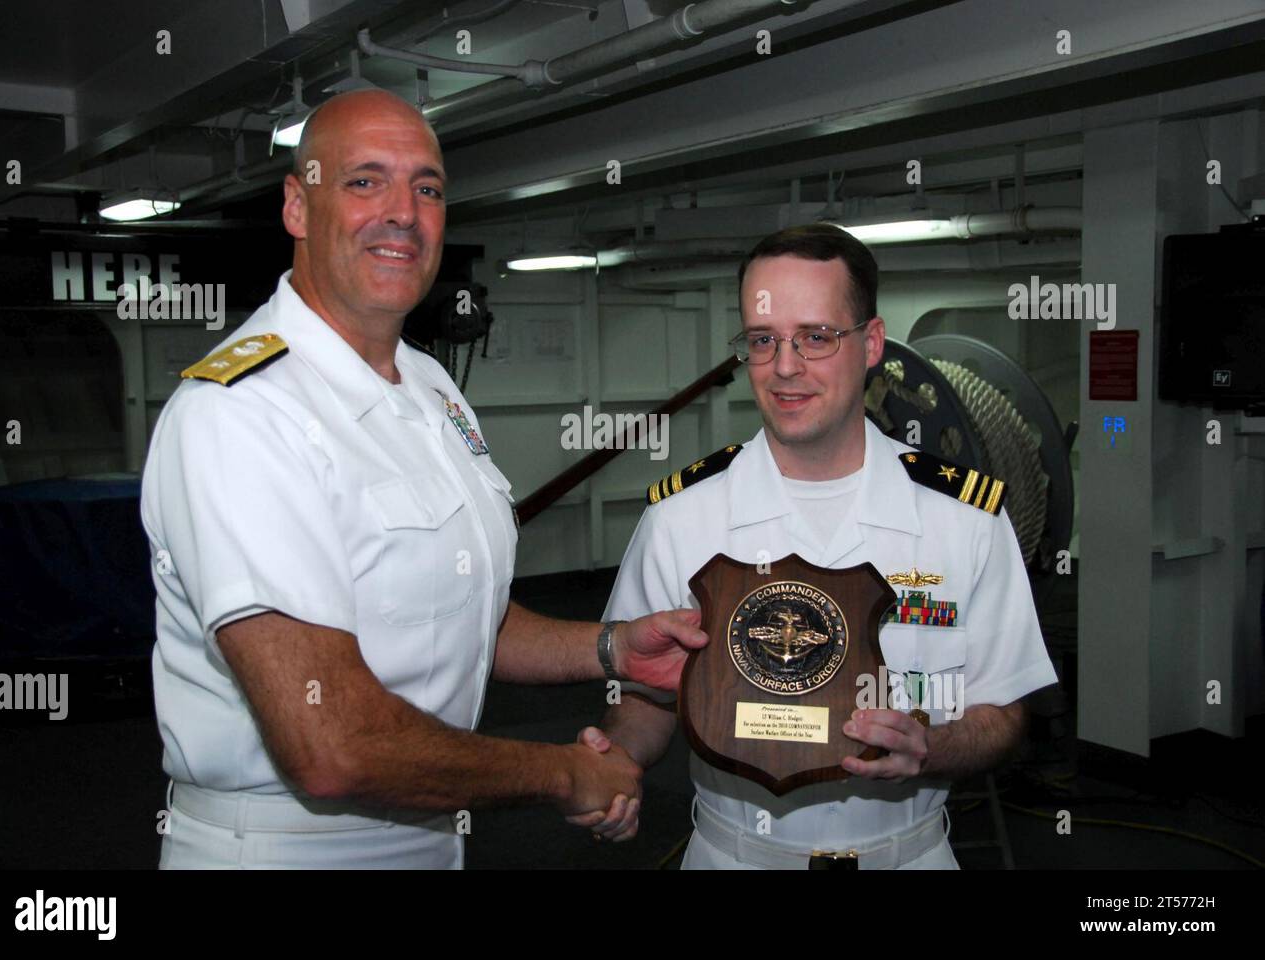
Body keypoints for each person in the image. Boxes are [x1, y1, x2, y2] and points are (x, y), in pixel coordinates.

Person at [140, 89, 705, 869]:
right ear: (298, 208)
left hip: (426, 832)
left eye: (427, 188)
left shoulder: (430, 384)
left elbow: (456, 608)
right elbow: (329, 745)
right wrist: (564, 773)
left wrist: (612, 649)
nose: (403, 212)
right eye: (365, 181)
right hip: (289, 847)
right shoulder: (242, 414)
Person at [580, 223, 1059, 867]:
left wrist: (930, 748)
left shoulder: (963, 517)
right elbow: (647, 696)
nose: (784, 367)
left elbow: (1002, 708)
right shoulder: (680, 518)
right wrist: (615, 762)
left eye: (816, 337)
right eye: (763, 340)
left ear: (871, 344)